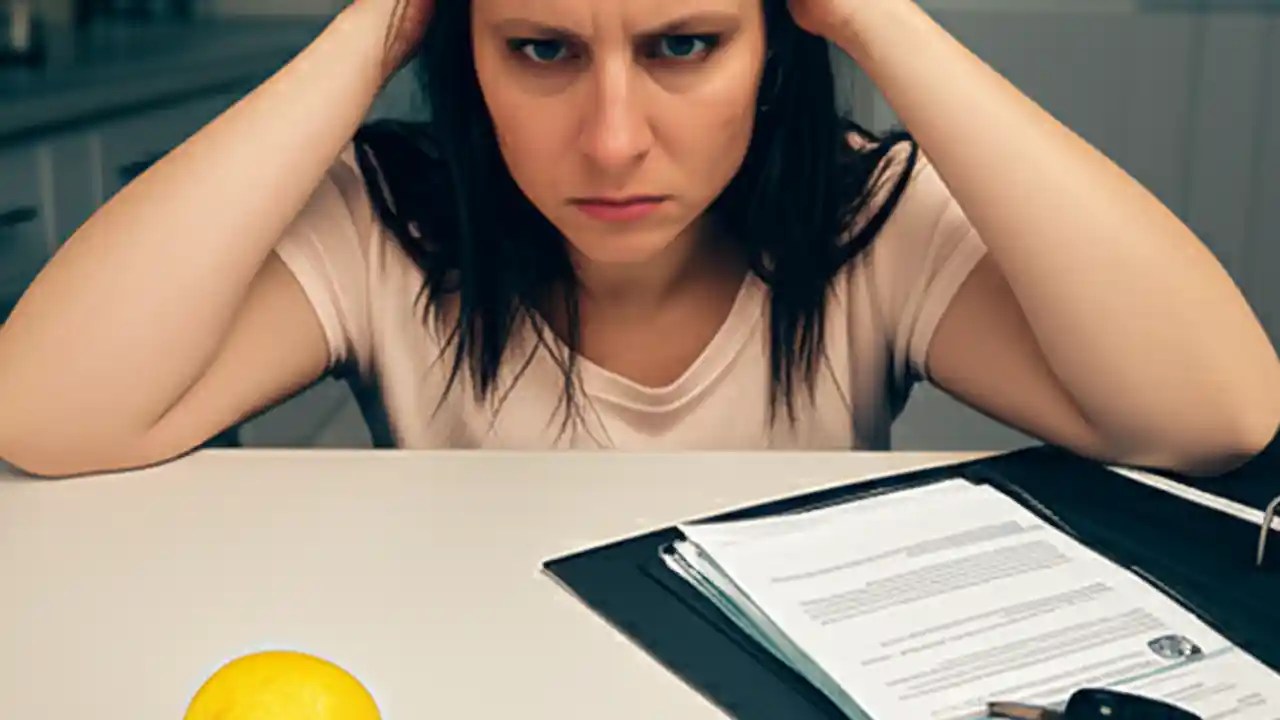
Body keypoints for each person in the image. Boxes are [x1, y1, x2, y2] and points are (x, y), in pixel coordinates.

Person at [0, 0, 1275, 479]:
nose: (613, 141)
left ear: (776, 48)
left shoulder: (859, 219)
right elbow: (42, 415)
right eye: (541, 50)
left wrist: (884, 23)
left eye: (683, 45)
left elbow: (1214, 411)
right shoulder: (390, 223)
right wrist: (371, 27)